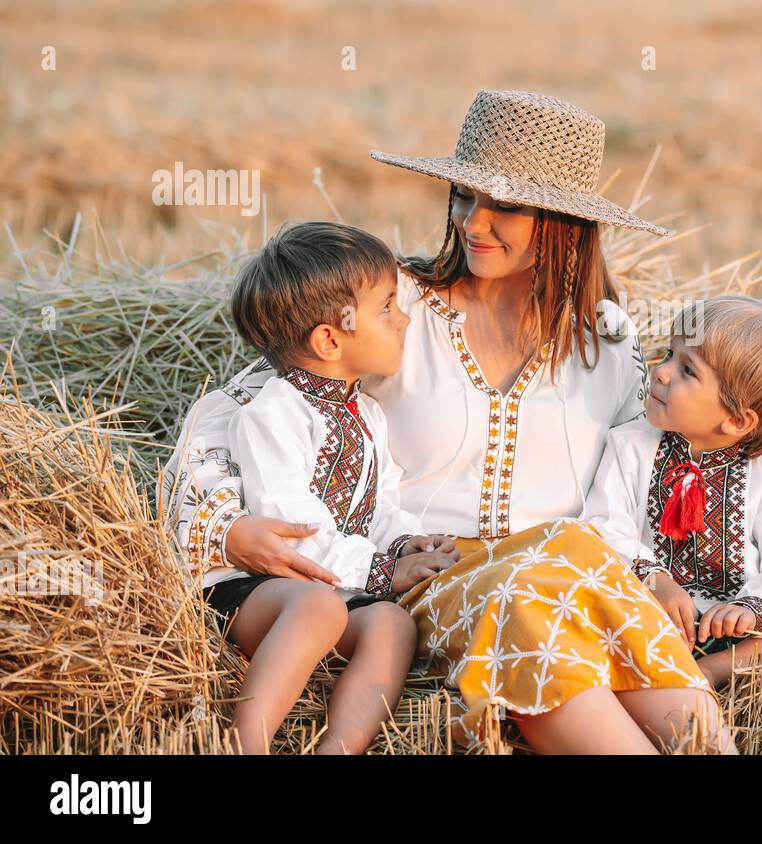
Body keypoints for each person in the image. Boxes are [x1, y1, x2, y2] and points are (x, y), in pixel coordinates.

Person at [163, 89, 731, 753]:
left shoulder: (607, 338)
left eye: (506, 206)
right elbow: (241, 407)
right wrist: (224, 530)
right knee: (542, 584)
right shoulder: (396, 307)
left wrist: (656, 575)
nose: (474, 221)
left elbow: (640, 476)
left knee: (573, 561)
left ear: (564, 221)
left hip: (565, 587)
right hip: (430, 588)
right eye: (464, 196)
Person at [203, 220, 459, 754]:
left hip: (329, 588)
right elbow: (290, 532)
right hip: (253, 588)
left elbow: (379, 501)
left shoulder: (365, 412)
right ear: (328, 338)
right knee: (320, 610)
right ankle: (242, 744)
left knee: (391, 624)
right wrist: (382, 570)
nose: (404, 317)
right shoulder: (274, 414)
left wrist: (405, 544)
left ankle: (338, 748)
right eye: (387, 307)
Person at [584, 296, 762, 689]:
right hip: (649, 615)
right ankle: (671, 667)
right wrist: (655, 580)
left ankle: (721, 668)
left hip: (742, 637)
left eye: (687, 370)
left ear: (737, 419)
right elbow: (602, 526)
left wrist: (750, 610)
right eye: (669, 354)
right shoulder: (631, 445)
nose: (661, 372)